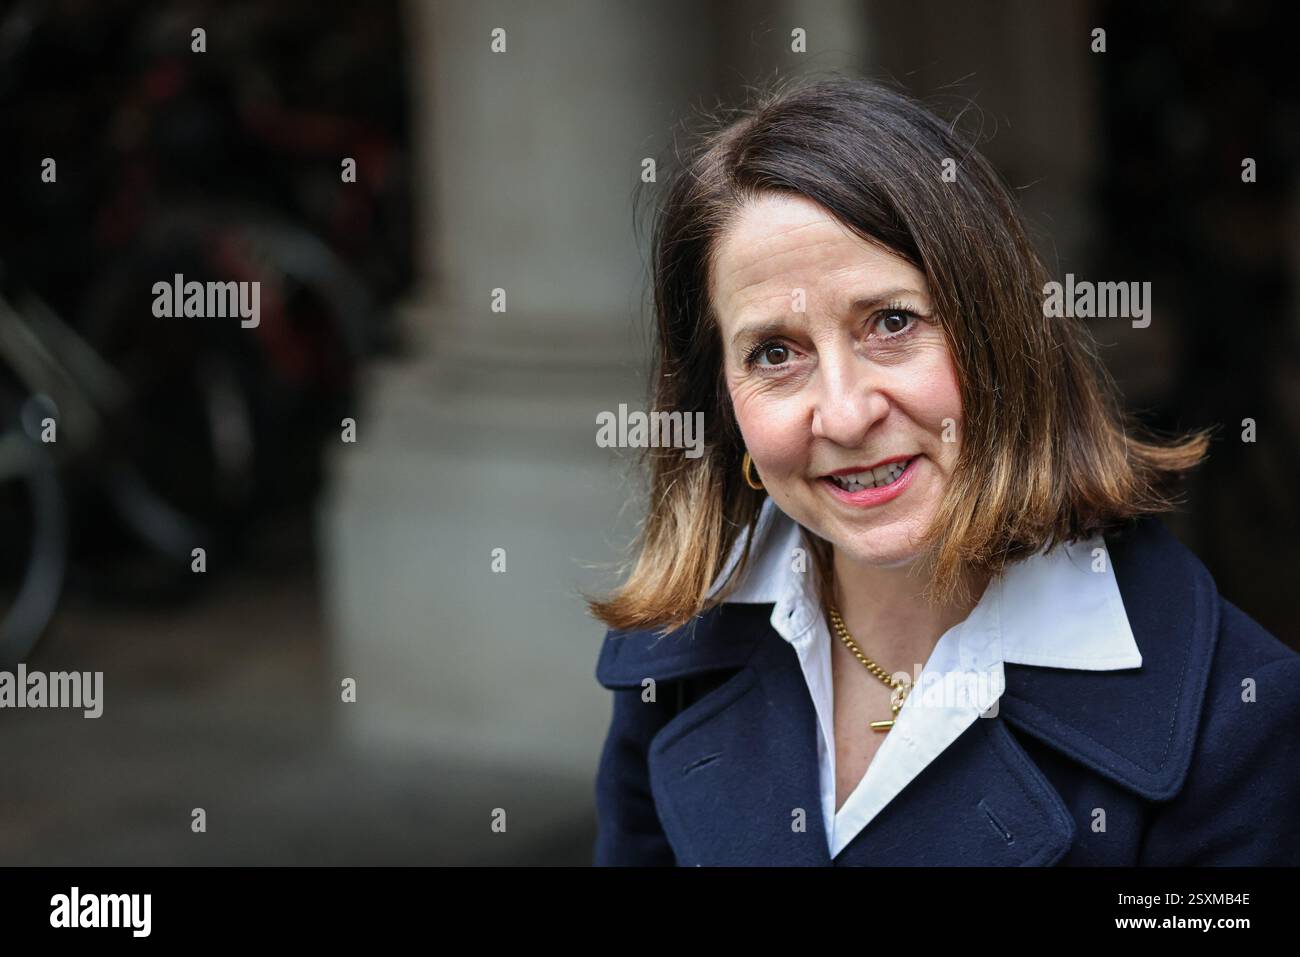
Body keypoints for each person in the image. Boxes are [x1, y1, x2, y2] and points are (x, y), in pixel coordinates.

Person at [586, 74, 1300, 866]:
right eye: (775, 353)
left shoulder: (1238, 719)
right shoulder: (677, 653)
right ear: (721, 401)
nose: (848, 412)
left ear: (1001, 335)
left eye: (892, 322)